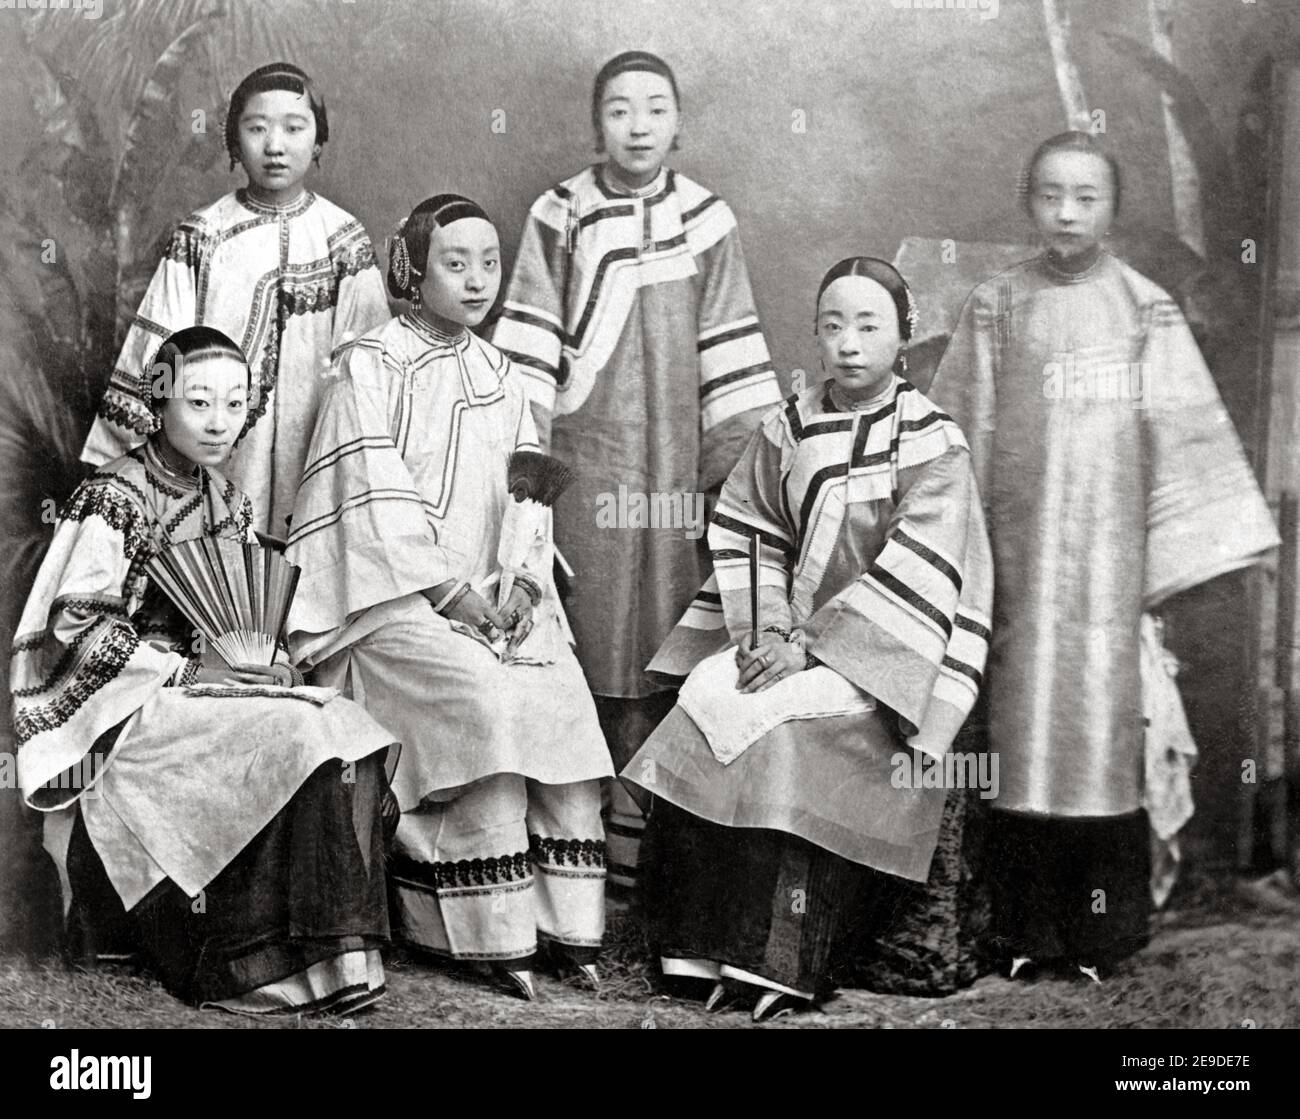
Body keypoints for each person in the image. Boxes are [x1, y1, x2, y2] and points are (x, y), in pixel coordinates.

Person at [927, 131, 1279, 980]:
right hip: (1018, 566)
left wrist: (1159, 572)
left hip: (1110, 569)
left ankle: (1098, 936)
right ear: (1028, 202)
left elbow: (1185, 443)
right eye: (1050, 195)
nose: (1067, 213)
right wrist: (957, 549)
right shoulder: (996, 304)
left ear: (1113, 207)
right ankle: (1021, 933)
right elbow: (956, 436)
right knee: (1019, 740)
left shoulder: (1144, 307)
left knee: (1098, 739)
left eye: (1085, 197)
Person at [622, 258, 994, 1020]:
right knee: (704, 701)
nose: (850, 344)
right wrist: (767, 632)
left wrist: (813, 645)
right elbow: (751, 528)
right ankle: (694, 949)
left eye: (869, 326)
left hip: (889, 652)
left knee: (783, 735)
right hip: (787, 631)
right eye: (833, 325)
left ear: (905, 336)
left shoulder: (932, 441)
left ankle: (782, 962)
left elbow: (918, 573)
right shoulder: (786, 425)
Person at [13, 326, 398, 1014]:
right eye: (199, 403)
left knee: (342, 722)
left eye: (233, 403)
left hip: (211, 695)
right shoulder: (114, 497)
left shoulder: (228, 501)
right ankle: (254, 964)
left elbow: (248, 615)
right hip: (129, 711)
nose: (220, 422)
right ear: (159, 404)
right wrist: (188, 668)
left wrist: (270, 665)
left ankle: (337, 958)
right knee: (295, 739)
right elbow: (78, 626)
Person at [286, 195, 613, 1000]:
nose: (476, 281)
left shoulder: (501, 374)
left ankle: (563, 923)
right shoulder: (371, 362)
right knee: (486, 695)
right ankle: (478, 925)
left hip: (490, 596)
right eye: (454, 263)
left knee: (560, 689)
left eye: (489, 263)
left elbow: (529, 499)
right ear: (413, 269)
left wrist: (524, 583)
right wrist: (453, 593)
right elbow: (373, 504)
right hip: (387, 604)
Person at [492, 51, 783, 900]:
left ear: (679, 123)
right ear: (596, 125)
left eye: (655, 109)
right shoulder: (562, 210)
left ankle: (646, 854)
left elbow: (729, 349)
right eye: (619, 110)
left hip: (671, 470)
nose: (638, 126)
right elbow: (532, 340)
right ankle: (568, 849)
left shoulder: (705, 217)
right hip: (584, 465)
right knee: (580, 630)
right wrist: (522, 461)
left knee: (666, 637)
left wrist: (727, 473)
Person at [81, 62, 389, 537]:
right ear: (233, 143)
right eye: (256, 128)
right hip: (216, 443)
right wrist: (142, 447)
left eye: (294, 128)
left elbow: (367, 365)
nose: (274, 146)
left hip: (317, 447)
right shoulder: (202, 235)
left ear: (319, 141)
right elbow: (160, 350)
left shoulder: (343, 241)